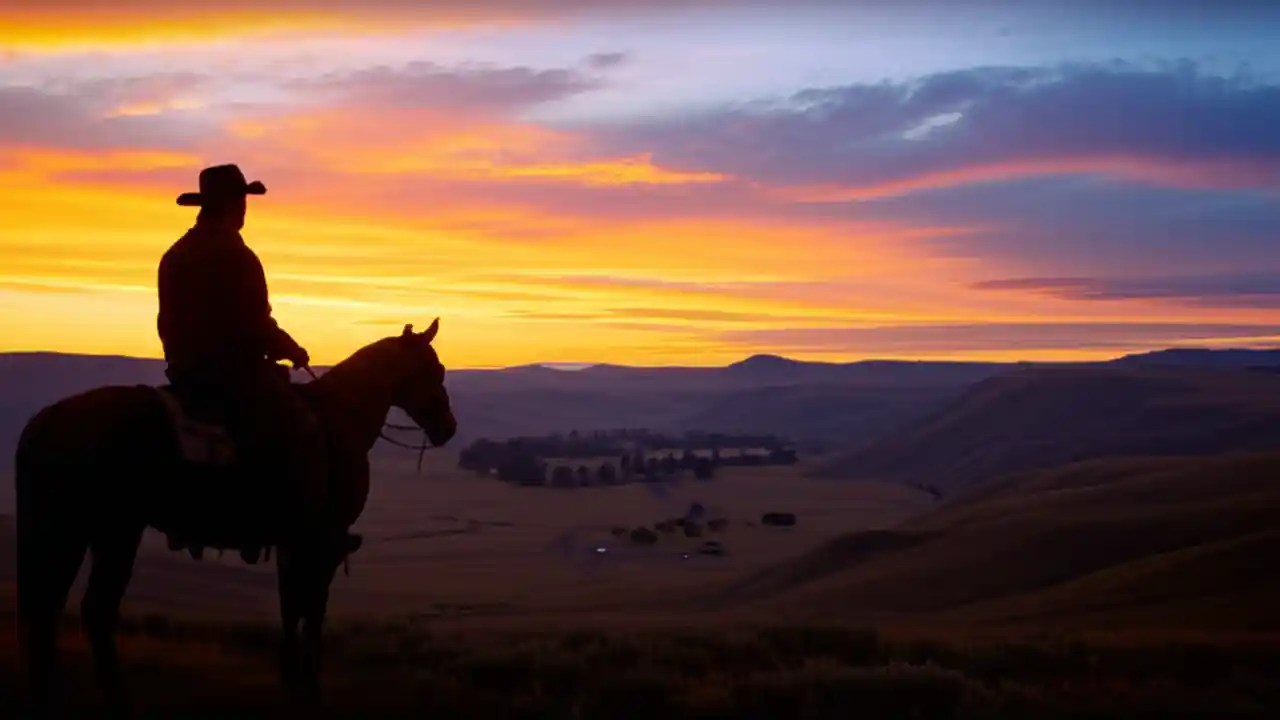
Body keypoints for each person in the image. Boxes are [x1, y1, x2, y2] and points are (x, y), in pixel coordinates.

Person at [158, 164, 328, 555]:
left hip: (183, 373)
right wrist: (292, 349)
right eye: (243, 201)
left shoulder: (176, 254)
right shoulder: (236, 255)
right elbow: (256, 322)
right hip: (231, 374)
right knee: (300, 427)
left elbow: (167, 320)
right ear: (236, 205)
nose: (245, 209)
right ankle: (277, 522)